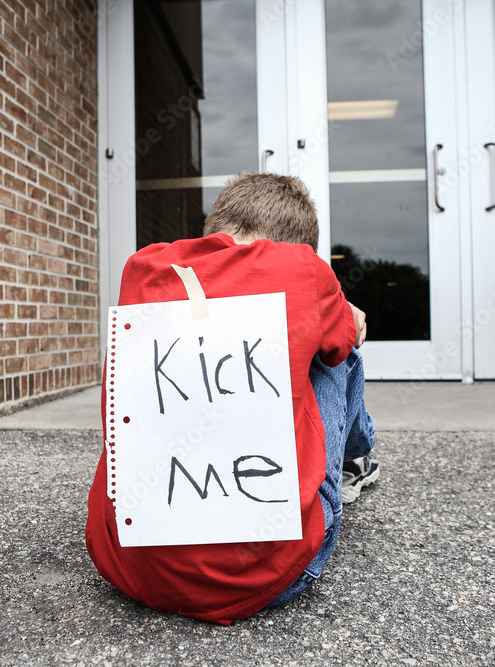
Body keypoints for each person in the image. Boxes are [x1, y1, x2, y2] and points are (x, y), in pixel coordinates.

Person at [85, 172, 379, 625]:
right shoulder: (302, 267)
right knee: (338, 353)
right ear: (297, 244)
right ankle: (356, 459)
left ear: (214, 230)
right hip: (266, 578)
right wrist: (342, 310)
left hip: (129, 566)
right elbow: (348, 340)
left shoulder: (141, 267)